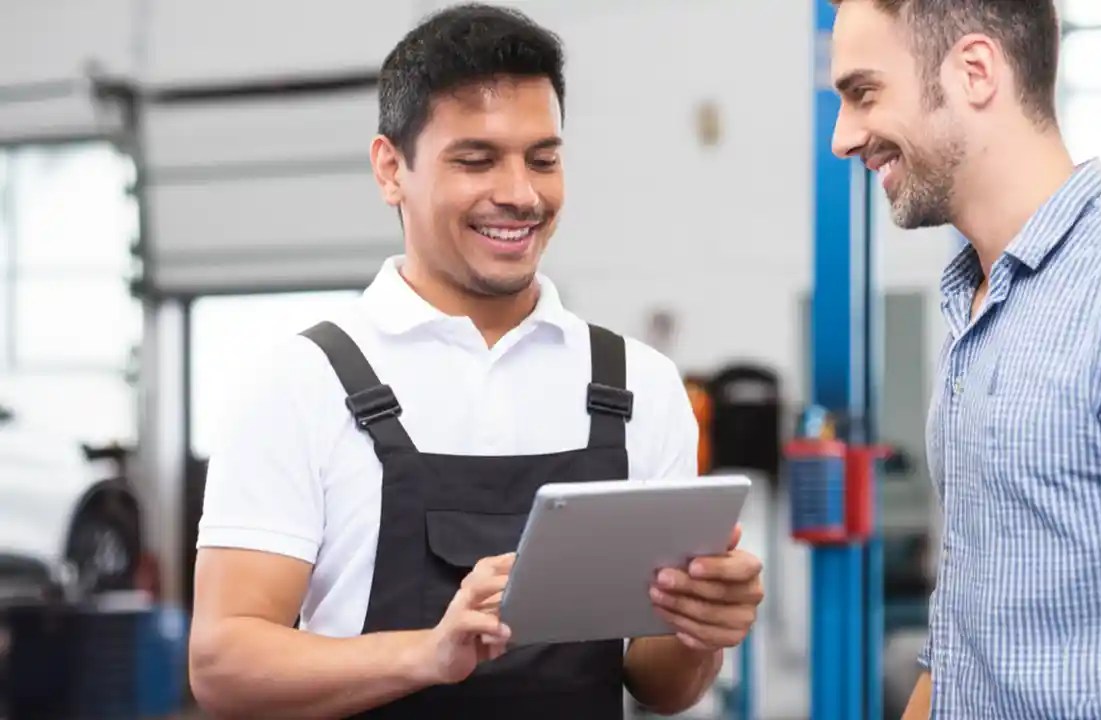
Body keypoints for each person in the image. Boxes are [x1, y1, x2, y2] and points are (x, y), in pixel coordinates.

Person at [187, 4, 764, 718]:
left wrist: (703, 629)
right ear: (391, 168)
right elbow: (222, 665)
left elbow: (659, 685)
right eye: (476, 159)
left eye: (543, 159)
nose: (520, 194)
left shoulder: (636, 386)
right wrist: (428, 655)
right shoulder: (300, 385)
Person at [827, 1, 1101, 719]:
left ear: (975, 72)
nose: (842, 138)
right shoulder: (976, 313)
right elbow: (963, 645)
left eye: (863, 94)